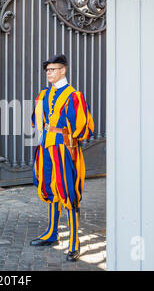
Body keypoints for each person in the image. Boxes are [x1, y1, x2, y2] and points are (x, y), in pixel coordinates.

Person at [30, 54, 94, 262]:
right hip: (46, 146)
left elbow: (82, 127)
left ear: (63, 70)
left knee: (68, 191)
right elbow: (35, 119)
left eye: (53, 69)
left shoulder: (74, 95)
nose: (49, 73)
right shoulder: (44, 94)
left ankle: (74, 243)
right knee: (50, 188)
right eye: (47, 70)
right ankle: (51, 234)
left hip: (64, 147)